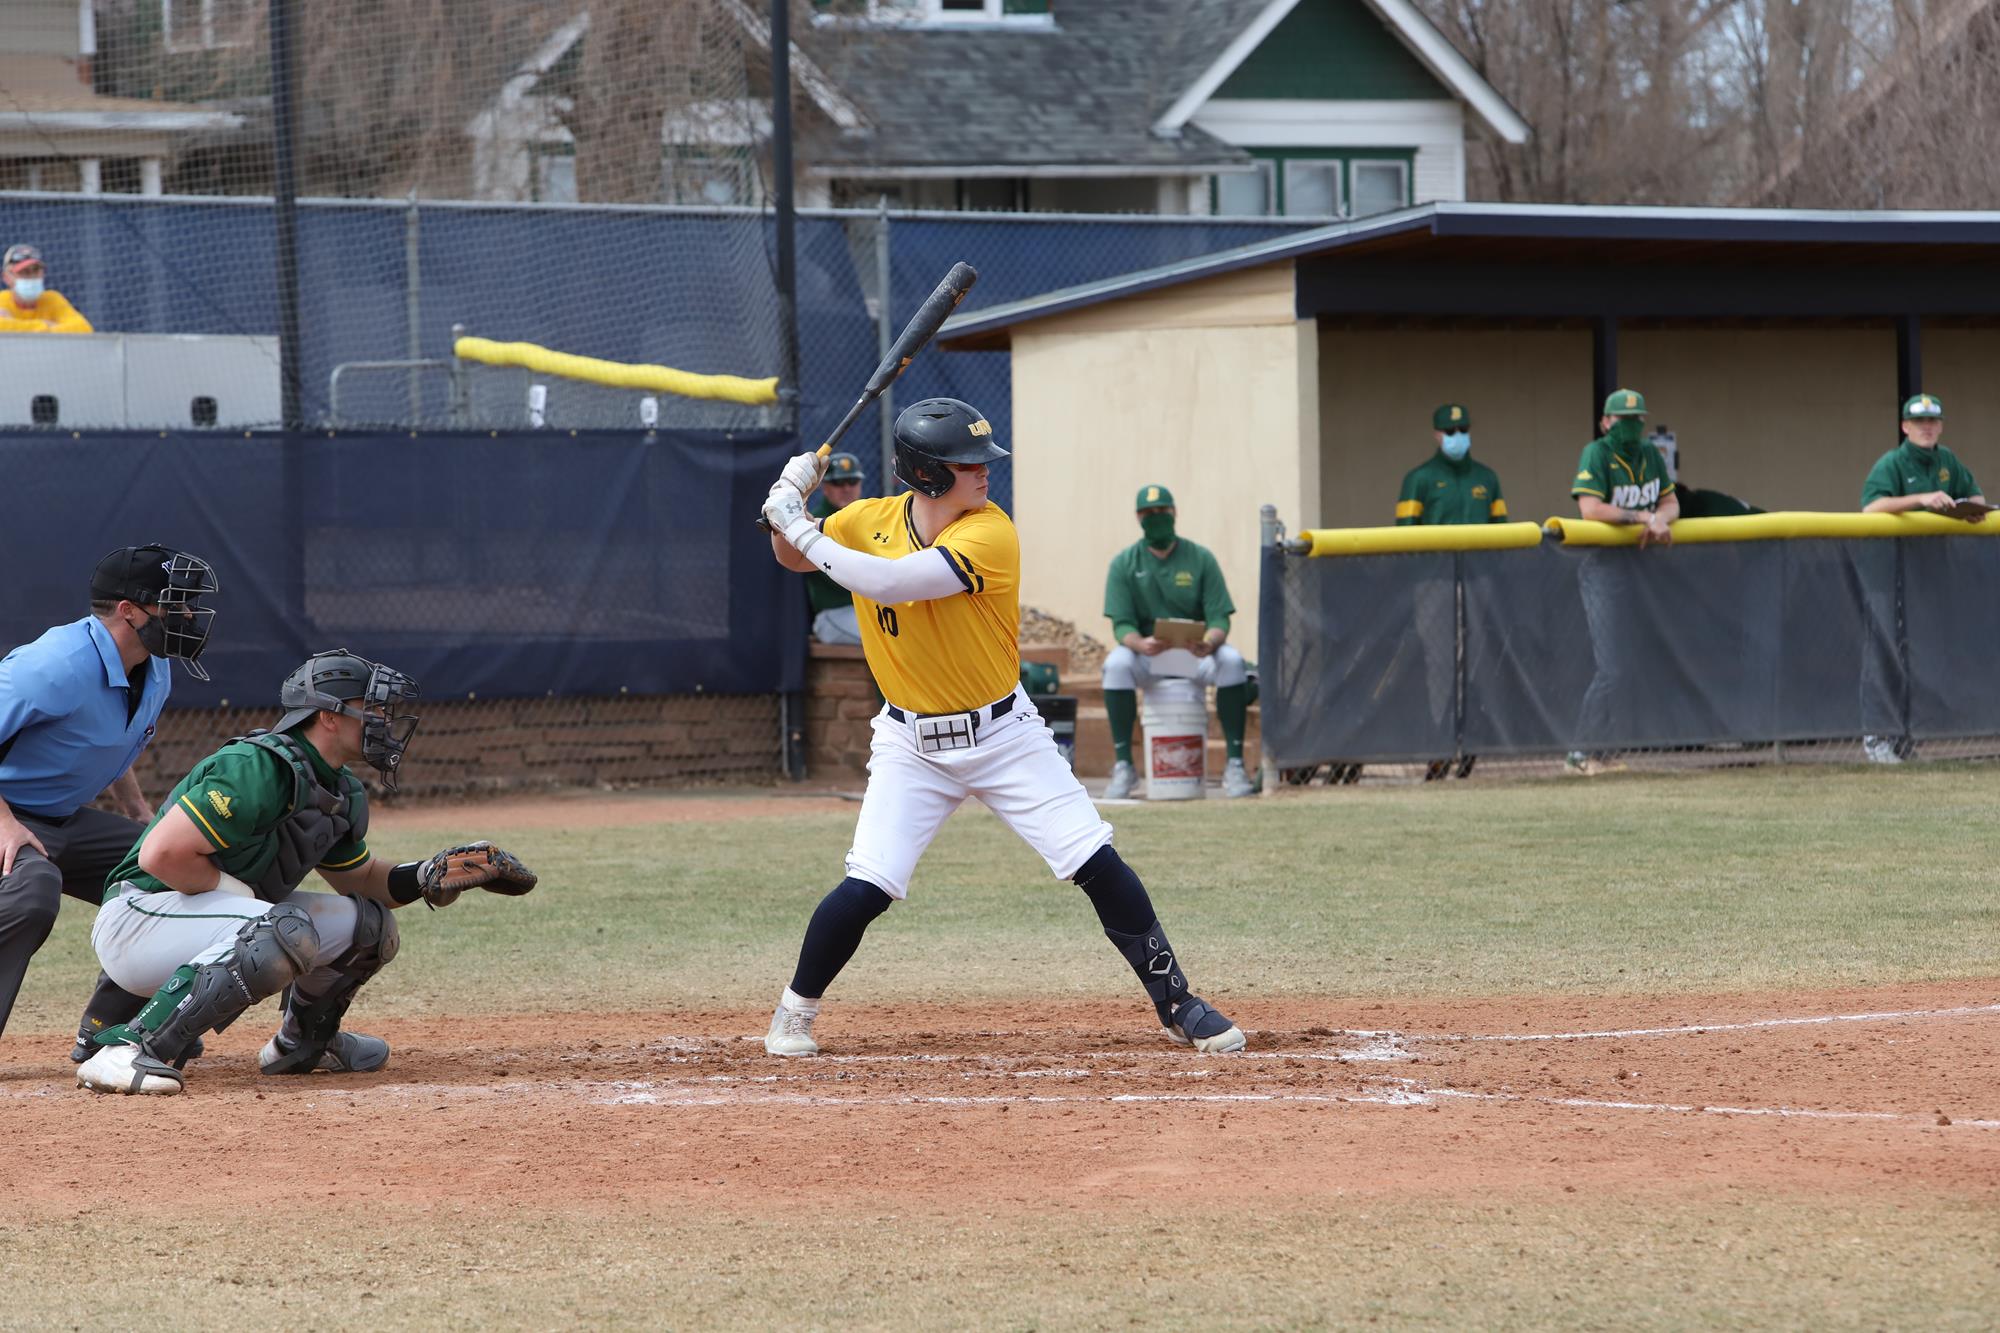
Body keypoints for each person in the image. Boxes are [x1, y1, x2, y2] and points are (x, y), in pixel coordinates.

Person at [758, 398, 1245, 1057]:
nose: (986, 473)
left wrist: (803, 526)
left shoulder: (990, 531)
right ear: (927, 474)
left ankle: (1179, 1003)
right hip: (910, 743)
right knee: (868, 883)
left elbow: (892, 583)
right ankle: (793, 1014)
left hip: (1004, 734)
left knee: (1093, 858)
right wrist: (786, 501)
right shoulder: (863, 520)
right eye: (967, 464)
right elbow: (792, 558)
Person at [75, 649, 535, 1095]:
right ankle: (130, 1047)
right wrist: (249, 904)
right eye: (369, 707)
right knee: (282, 930)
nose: (382, 719)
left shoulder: (339, 789)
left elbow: (364, 880)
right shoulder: (256, 766)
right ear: (328, 717)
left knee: (370, 927)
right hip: (139, 919)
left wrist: (426, 875)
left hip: (216, 924)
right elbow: (162, 856)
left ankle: (302, 1044)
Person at [0, 545, 217, 1050]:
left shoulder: (153, 666)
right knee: (32, 894)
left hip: (60, 818)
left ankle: (110, 1026)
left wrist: (143, 817)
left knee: (173, 868)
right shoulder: (51, 665)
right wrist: (6, 824)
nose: (187, 615)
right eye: (175, 603)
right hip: (9, 817)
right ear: (128, 610)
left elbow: (115, 740)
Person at [1100, 484, 1255, 800]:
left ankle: (1235, 764)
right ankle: (1125, 767)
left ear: (1174, 513)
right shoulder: (1125, 563)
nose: (1156, 518)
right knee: (1116, 664)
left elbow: (1220, 618)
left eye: (1162, 511)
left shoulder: (1200, 558)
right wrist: (1139, 643)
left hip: (1194, 654)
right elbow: (1121, 624)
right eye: (1148, 513)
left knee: (1232, 661)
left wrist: (1209, 642)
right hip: (1151, 655)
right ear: (1138, 517)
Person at [1855, 393, 1985, 764]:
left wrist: (1968, 509)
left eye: (1932, 421)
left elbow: (1975, 493)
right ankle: (1876, 737)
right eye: (1918, 422)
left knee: (1915, 652)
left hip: (1924, 575)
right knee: (1882, 652)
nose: (1926, 427)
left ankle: (1904, 737)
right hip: (1885, 573)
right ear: (1904, 426)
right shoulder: (1893, 462)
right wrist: (1922, 499)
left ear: (1941, 425)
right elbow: (1871, 506)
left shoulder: (1947, 461)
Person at [1566, 388, 1679, 776]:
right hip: (1604, 568)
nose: (1630, 427)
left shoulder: (1649, 455)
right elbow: (1590, 509)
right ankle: (1580, 753)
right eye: (1622, 420)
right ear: (1605, 422)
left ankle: (1605, 750)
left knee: (1628, 665)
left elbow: (1671, 501)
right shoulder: (1595, 453)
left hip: (1641, 569)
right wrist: (1642, 518)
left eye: (1636, 420)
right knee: (1612, 668)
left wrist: (1661, 517)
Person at [1395, 403, 1506, 780]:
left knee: (1477, 661)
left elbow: (1502, 529)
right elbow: (1404, 532)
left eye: (1463, 429)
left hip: (1479, 582)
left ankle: (1472, 741)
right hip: (1434, 583)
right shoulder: (1420, 479)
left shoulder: (1487, 478)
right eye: (1450, 431)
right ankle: (1439, 745)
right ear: (1437, 435)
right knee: (1439, 664)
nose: (1457, 436)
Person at [806, 451, 867, 646]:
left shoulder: (868, 515)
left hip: (870, 609)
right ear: (825, 488)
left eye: (852, 481)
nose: (846, 488)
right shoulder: (815, 522)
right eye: (839, 483)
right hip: (835, 613)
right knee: (890, 640)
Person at [0, 244, 93, 334]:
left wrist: (15, 325)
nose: (31, 277)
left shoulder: (52, 299)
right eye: (24, 272)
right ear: (6, 277)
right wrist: (47, 325)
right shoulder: (2, 300)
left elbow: (84, 328)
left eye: (36, 271)